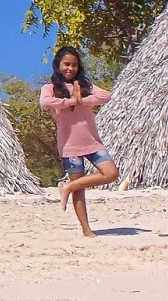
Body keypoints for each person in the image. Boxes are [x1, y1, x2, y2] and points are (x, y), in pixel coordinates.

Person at [40, 45, 116, 237]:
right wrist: (71, 102)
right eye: (66, 64)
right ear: (58, 65)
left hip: (92, 142)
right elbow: (45, 103)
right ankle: (86, 230)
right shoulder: (50, 88)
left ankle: (68, 186)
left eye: (74, 65)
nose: (70, 68)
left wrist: (83, 99)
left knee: (111, 173)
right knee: (80, 192)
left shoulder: (84, 86)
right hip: (70, 146)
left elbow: (106, 96)